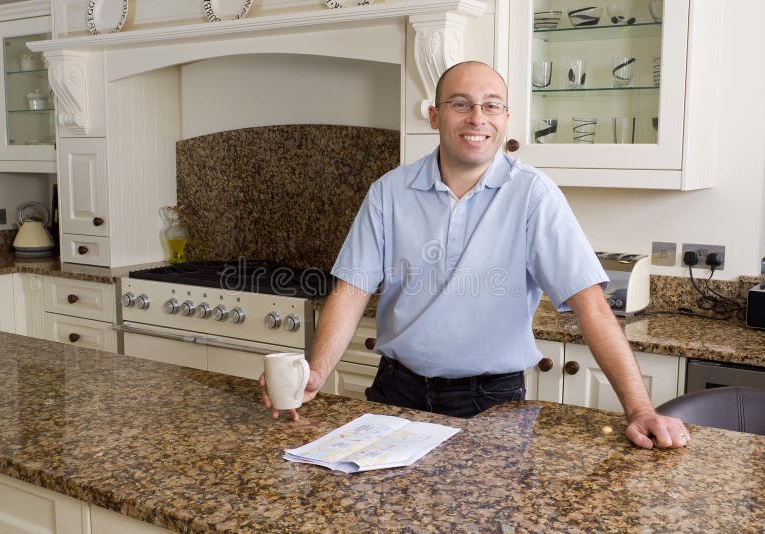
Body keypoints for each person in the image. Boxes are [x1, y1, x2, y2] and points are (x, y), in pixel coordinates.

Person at [260, 61, 690, 449]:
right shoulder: (388, 192)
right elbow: (351, 290)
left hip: (491, 403)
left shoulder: (533, 195)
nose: (477, 118)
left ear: (505, 118)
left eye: (491, 106)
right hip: (395, 391)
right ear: (435, 115)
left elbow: (591, 307)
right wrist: (315, 373)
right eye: (460, 104)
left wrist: (639, 410)